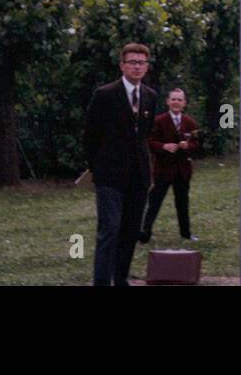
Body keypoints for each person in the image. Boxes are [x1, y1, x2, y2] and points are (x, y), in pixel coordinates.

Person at [83, 43, 157, 286]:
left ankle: (121, 278)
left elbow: (144, 136)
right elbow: (91, 135)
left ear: (146, 66)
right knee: (110, 230)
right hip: (110, 177)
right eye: (132, 62)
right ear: (122, 65)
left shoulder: (150, 96)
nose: (137, 66)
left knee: (130, 231)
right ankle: (102, 282)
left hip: (139, 177)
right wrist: (98, 168)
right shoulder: (104, 94)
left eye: (141, 62)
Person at [139, 87, 200, 244]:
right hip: (163, 169)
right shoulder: (158, 121)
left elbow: (197, 144)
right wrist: (164, 147)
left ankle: (186, 233)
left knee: (182, 203)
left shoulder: (190, 122)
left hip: (182, 171)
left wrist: (188, 147)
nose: (176, 102)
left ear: (184, 103)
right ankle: (145, 233)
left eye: (179, 100)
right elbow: (149, 142)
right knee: (155, 202)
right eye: (173, 99)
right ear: (167, 102)